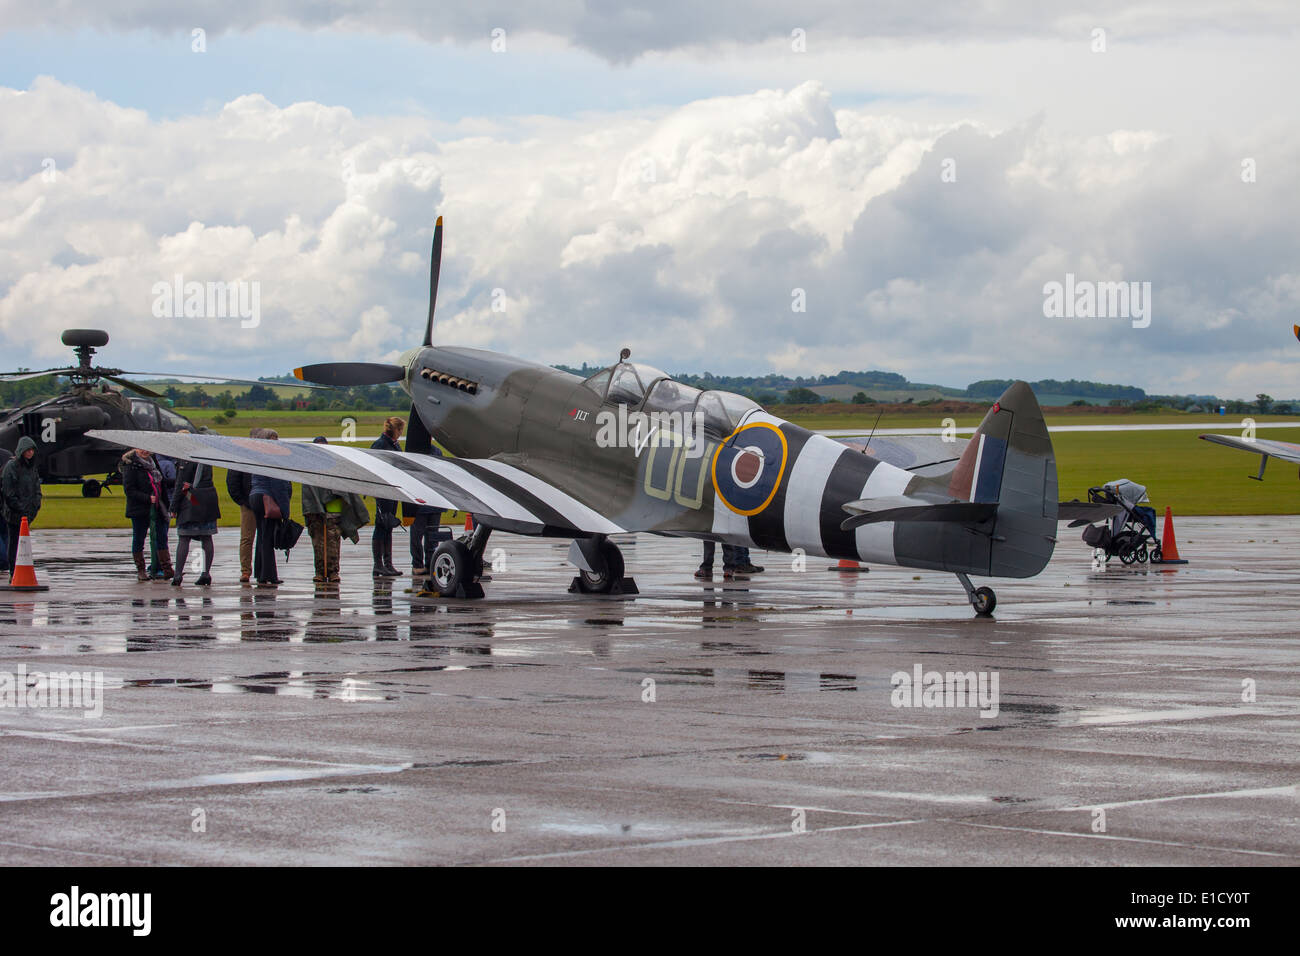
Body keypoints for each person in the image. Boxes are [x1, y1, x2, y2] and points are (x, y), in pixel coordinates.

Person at [301, 437, 370, 586]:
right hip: (315, 512)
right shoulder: (308, 467)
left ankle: (333, 572)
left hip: (334, 509)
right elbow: (307, 491)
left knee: (333, 541)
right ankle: (319, 572)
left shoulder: (335, 465)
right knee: (318, 542)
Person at [120, 448, 172, 582]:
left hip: (158, 507)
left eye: (147, 449)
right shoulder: (130, 465)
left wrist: (168, 506)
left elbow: (162, 485)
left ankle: (166, 568)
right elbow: (129, 490)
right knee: (139, 538)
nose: (145, 451)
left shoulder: (153, 462)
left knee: (161, 536)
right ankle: (141, 570)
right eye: (141, 449)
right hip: (140, 509)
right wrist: (147, 498)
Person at [249, 429, 292, 588]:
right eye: (274, 439)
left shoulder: (257, 455)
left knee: (262, 535)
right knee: (267, 537)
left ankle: (261, 572)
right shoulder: (273, 457)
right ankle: (269, 575)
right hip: (267, 498)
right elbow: (279, 486)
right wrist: (285, 511)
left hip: (255, 496)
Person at [170, 455, 220, 587]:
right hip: (208, 497)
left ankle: (178, 574)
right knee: (206, 537)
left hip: (192, 498)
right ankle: (205, 573)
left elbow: (181, 485)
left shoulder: (185, 460)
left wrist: (173, 507)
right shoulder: (205, 458)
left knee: (184, 537)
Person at [226, 428, 266, 584]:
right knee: (247, 538)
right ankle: (245, 570)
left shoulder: (265, 456)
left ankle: (262, 569)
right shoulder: (240, 457)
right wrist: (243, 501)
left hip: (265, 503)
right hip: (248, 504)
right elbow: (232, 482)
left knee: (264, 538)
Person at [1, 437, 42, 580]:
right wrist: (20, 508)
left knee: (23, 543)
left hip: (28, 512)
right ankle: (14, 572)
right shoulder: (11, 467)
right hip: (14, 514)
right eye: (27, 450)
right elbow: (8, 492)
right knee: (14, 543)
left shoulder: (32, 468)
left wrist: (36, 505)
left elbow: (37, 488)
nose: (30, 453)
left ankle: (23, 570)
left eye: (32, 450)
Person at [406, 441, 448, 576]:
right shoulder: (415, 453)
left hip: (434, 502)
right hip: (420, 503)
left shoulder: (437, 452)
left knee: (432, 537)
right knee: (417, 536)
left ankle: (430, 563)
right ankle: (417, 564)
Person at [370, 416, 405, 577]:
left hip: (393, 490)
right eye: (400, 430)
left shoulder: (394, 445)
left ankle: (388, 564)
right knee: (381, 525)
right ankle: (378, 564)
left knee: (388, 525)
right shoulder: (380, 444)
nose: (401, 434)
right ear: (395, 430)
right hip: (383, 491)